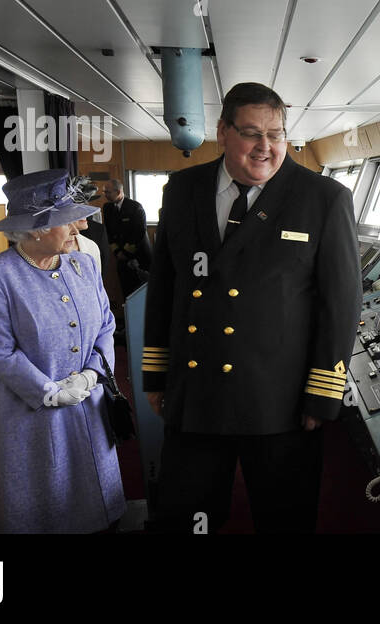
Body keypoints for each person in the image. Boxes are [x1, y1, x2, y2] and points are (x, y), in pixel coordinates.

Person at [142, 82, 360, 533]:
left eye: (276, 134)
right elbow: (164, 287)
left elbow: (340, 304)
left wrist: (322, 393)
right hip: (196, 392)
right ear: (222, 132)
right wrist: (157, 375)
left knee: (284, 520)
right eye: (251, 133)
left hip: (280, 401)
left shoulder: (322, 198)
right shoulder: (182, 190)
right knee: (182, 519)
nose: (266, 147)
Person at [0, 169, 126, 533]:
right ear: (36, 228)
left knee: (99, 506)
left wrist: (92, 374)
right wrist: (51, 393)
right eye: (68, 221)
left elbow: (106, 325)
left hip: (90, 403)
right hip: (34, 417)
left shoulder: (84, 265)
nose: (80, 228)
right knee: (45, 508)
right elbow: (0, 351)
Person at [100, 179, 151, 295]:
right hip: (121, 257)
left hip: (140, 256)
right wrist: (117, 252)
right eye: (104, 192)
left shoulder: (135, 207)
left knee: (141, 292)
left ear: (118, 192)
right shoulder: (107, 208)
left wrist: (126, 253)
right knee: (126, 290)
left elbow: (139, 233)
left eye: (107, 192)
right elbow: (109, 232)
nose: (105, 195)